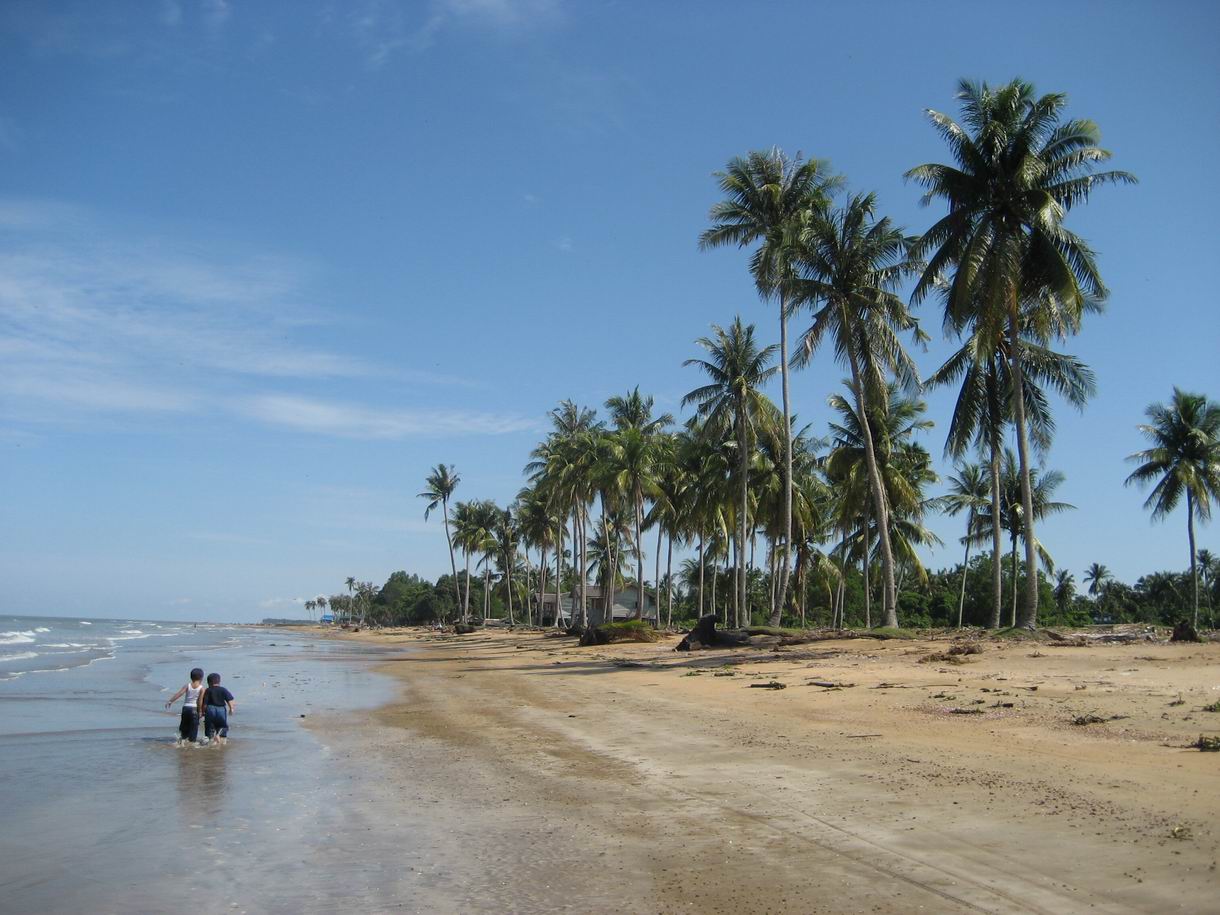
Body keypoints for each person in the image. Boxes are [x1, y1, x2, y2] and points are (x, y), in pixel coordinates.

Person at [165, 668, 205, 747]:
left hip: (186, 708)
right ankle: (191, 743)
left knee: (184, 725)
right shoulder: (201, 688)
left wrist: (170, 701)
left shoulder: (187, 685)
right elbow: (200, 701)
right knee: (194, 728)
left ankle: (182, 741)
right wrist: (200, 711)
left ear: (191, 677)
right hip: (194, 709)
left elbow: (179, 693)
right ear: (201, 678)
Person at [200, 673, 236, 746]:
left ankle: (210, 739)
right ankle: (220, 737)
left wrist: (203, 712)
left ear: (209, 683)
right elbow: (229, 700)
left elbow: (205, 704)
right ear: (219, 681)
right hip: (221, 709)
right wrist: (231, 708)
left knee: (209, 726)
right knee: (222, 725)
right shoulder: (223, 689)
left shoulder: (208, 690)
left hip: (210, 709)